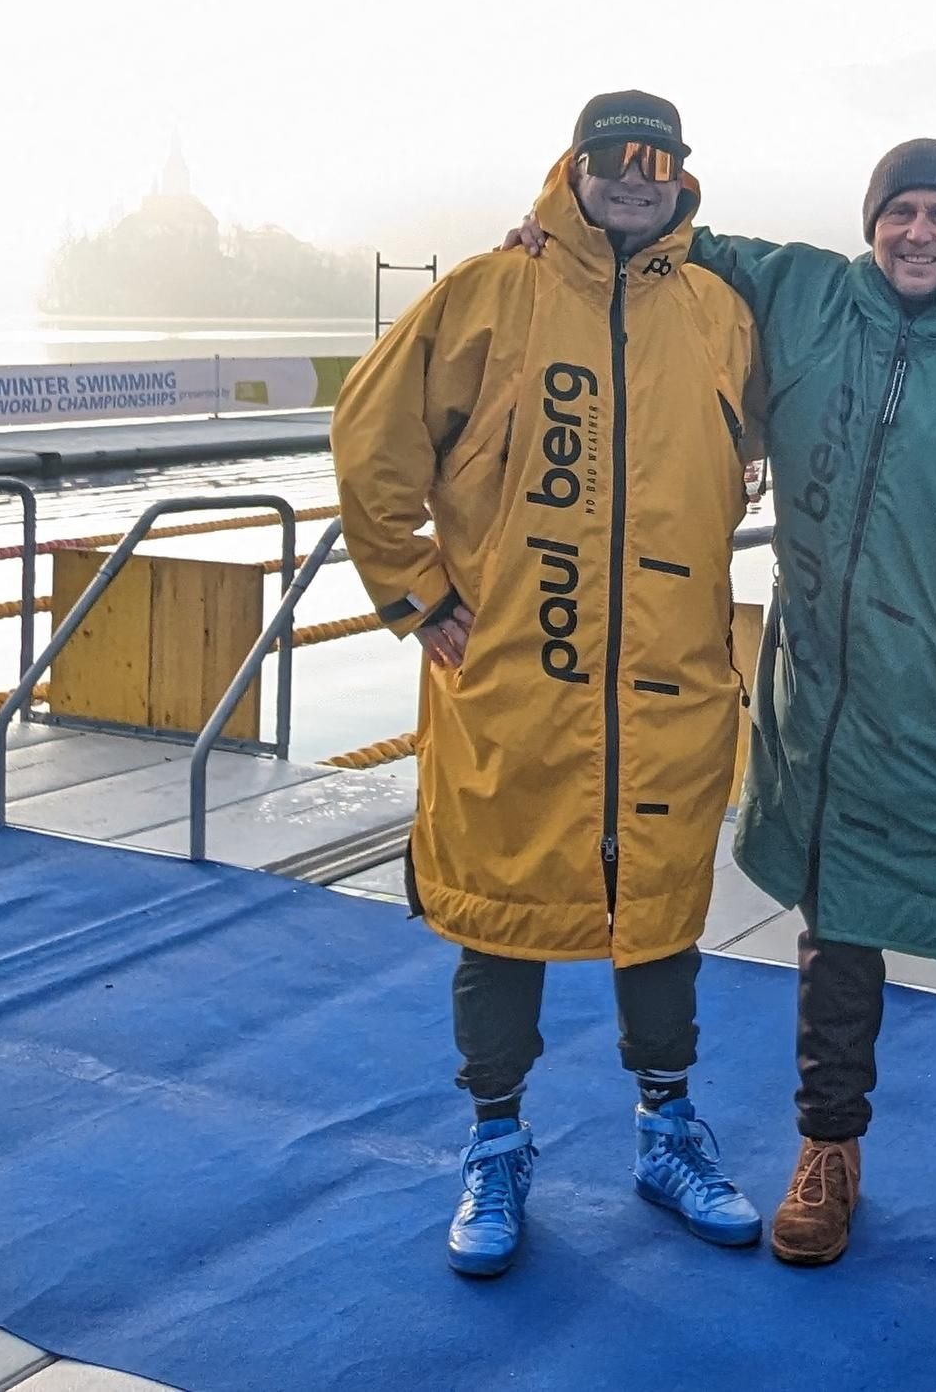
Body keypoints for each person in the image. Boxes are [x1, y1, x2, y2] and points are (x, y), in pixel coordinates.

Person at [510, 139, 936, 1271]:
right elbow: (666, 234)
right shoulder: (807, 300)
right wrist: (557, 241)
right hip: (831, 713)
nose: (918, 234)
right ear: (872, 224)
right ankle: (826, 1152)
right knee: (834, 948)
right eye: (900, 213)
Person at [333, 90, 768, 1278]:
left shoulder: (721, 312)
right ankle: (494, 1141)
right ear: (572, 169)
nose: (634, 177)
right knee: (500, 912)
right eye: (612, 158)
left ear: (683, 176)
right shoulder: (490, 293)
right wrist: (417, 593)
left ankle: (666, 1129)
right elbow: (369, 439)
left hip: (672, 687)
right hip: (518, 683)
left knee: (663, 917)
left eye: (657, 159)